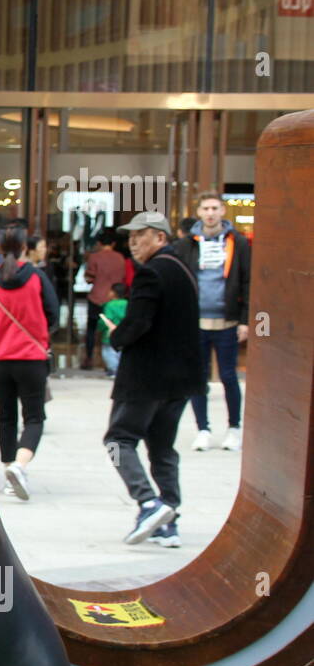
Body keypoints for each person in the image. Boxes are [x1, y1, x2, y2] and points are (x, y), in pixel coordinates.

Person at [104, 212, 204, 548]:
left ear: (160, 238)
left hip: (147, 378)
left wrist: (117, 335)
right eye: (130, 237)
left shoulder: (151, 273)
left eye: (140, 236)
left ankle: (148, 503)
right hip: (180, 381)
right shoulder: (184, 270)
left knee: (118, 440)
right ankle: (169, 521)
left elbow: (137, 324)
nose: (133, 243)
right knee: (162, 447)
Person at [0, 223, 58, 502]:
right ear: (25, 247)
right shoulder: (37, 277)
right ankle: (20, 465)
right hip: (31, 357)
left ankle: (7, 473)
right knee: (34, 417)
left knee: (6, 416)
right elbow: (53, 313)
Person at [177, 192, 251, 452]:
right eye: (205, 208)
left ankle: (234, 428)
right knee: (198, 376)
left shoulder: (238, 242)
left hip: (227, 321)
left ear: (222, 211)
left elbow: (247, 281)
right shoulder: (187, 244)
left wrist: (245, 319)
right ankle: (203, 429)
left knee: (229, 376)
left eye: (215, 208)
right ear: (199, 212)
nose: (210, 213)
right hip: (196, 322)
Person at [82, 229, 125, 369]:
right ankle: (112, 361)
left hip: (97, 298)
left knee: (91, 330)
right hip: (114, 299)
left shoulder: (95, 257)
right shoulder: (120, 258)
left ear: (99, 243)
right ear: (113, 243)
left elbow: (89, 277)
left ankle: (89, 358)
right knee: (115, 328)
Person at [98, 281, 129, 376]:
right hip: (124, 333)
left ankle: (114, 370)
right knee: (121, 353)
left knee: (108, 353)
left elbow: (106, 320)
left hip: (110, 334)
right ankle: (120, 369)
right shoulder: (128, 304)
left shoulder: (110, 305)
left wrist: (100, 328)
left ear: (113, 293)